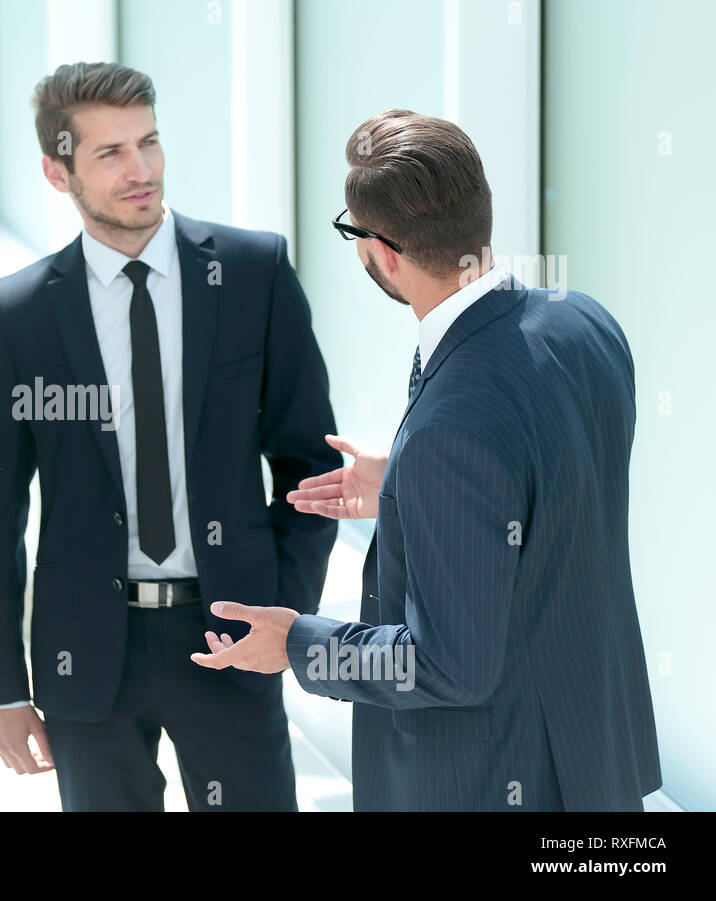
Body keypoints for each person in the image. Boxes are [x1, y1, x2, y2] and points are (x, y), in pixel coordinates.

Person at [193, 109, 663, 811]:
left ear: (383, 252)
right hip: (597, 764)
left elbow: (449, 664)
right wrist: (405, 484)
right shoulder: (585, 321)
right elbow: (555, 488)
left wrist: (298, 643)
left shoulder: (451, 429)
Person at [0, 62, 341, 811]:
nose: (140, 170)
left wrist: (284, 615)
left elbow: (309, 468)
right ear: (56, 170)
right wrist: (1, 687)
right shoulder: (20, 314)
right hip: (86, 651)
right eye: (109, 153)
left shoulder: (250, 272)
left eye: (149, 142)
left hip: (232, 633)